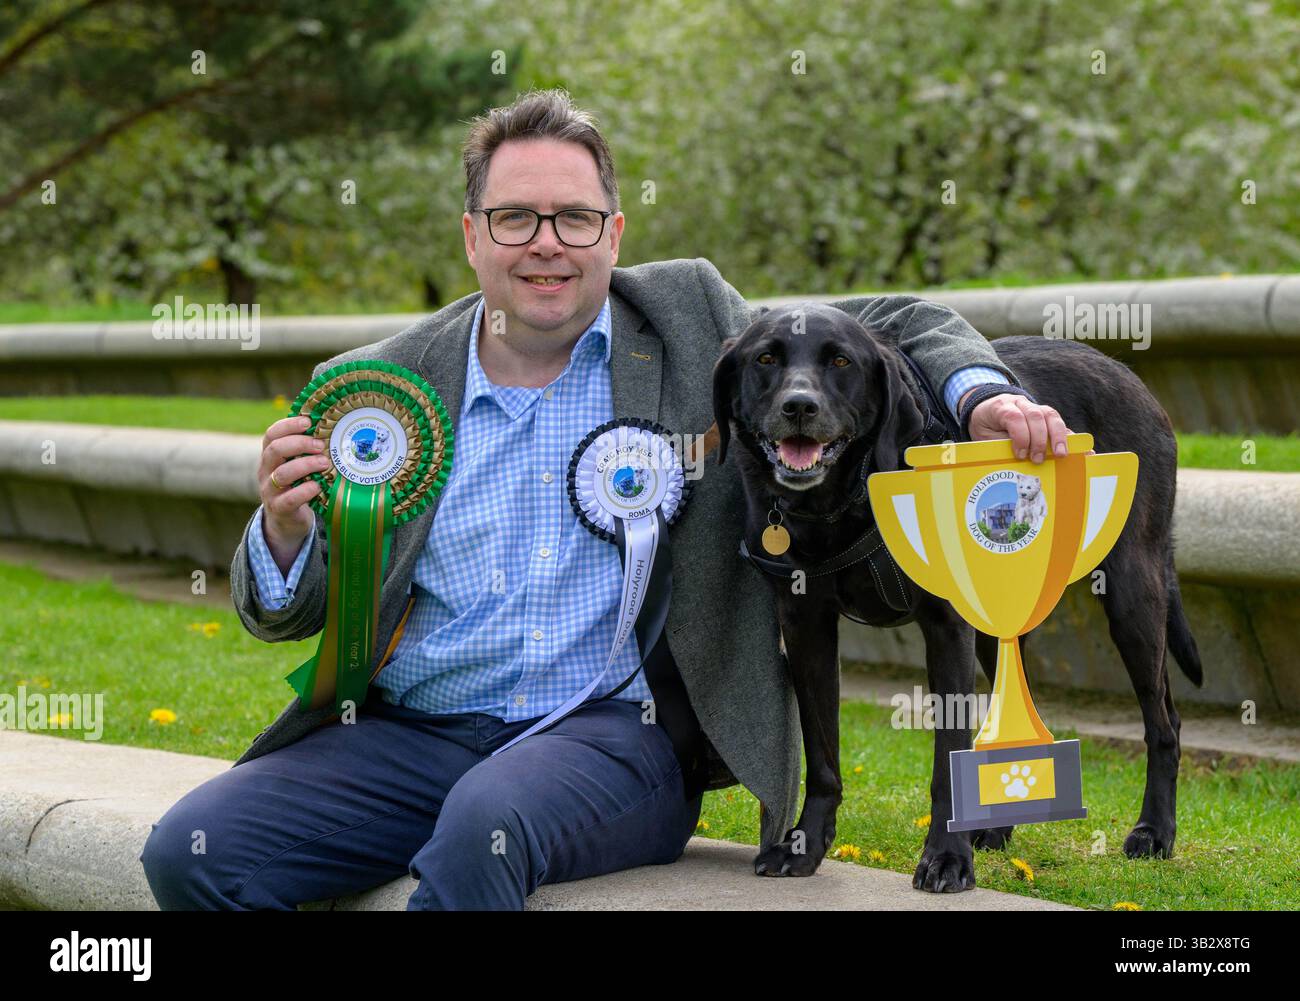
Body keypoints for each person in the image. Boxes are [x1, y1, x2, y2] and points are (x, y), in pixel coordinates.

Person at [140, 88, 1073, 911]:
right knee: (191, 853)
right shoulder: (379, 385)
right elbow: (287, 614)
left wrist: (983, 395)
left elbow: (902, 322)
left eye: (574, 218)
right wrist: (283, 525)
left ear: (614, 233)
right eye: (514, 218)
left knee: (482, 828)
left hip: (614, 743)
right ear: (471, 235)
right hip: (408, 737)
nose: (546, 242)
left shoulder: (691, 317)